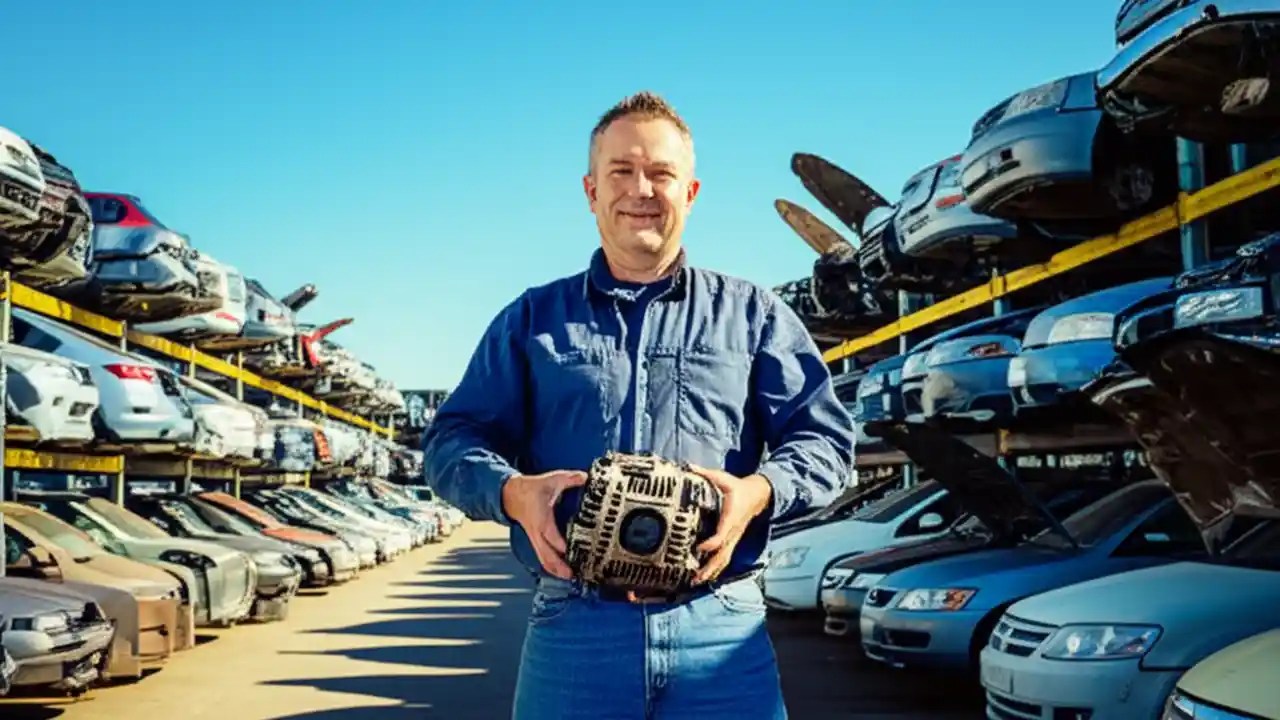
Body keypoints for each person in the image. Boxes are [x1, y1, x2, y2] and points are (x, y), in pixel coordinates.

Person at [421, 90, 857, 720]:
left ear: (692, 192)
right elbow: (451, 441)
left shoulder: (755, 316)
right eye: (620, 172)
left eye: (661, 173)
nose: (641, 190)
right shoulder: (532, 320)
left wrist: (757, 493)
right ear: (591, 191)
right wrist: (513, 492)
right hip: (574, 625)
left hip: (720, 627)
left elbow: (825, 444)